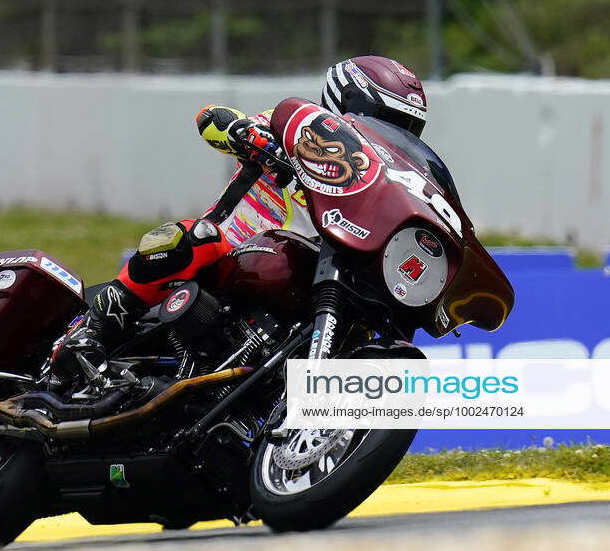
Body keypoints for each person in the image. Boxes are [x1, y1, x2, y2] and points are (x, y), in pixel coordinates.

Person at [55, 55, 431, 370]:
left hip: (305, 279)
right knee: (193, 238)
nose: (394, 133)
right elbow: (210, 118)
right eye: (387, 119)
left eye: (407, 128)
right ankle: (91, 329)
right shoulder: (298, 131)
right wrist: (251, 136)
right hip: (232, 252)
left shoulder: (382, 183)